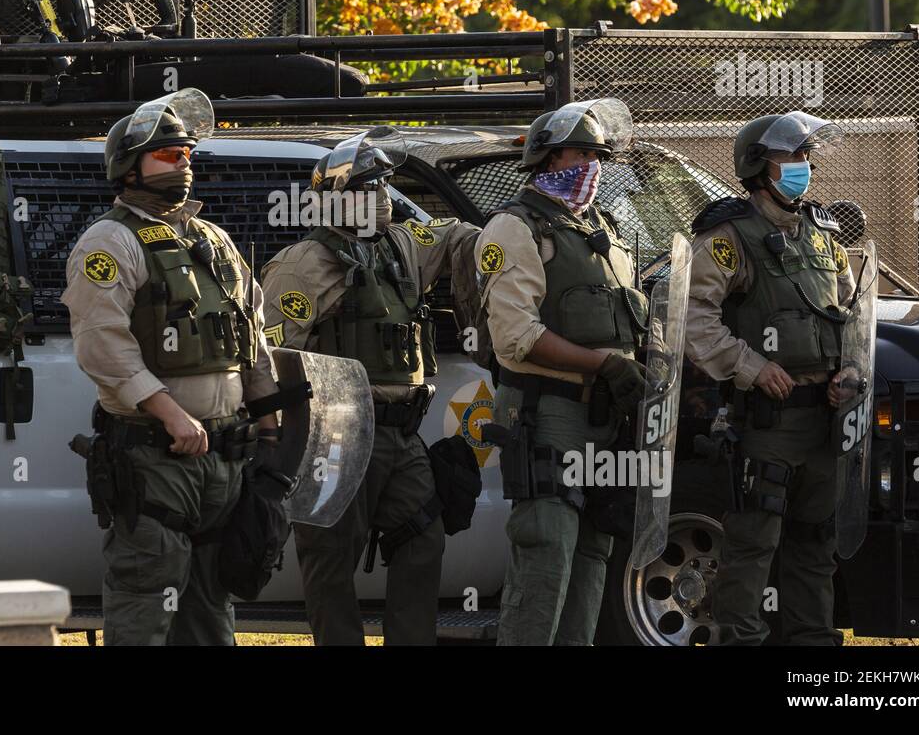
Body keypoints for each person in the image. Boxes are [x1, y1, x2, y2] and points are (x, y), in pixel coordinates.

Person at [62, 89, 279, 645]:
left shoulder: (212, 240)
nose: (184, 164)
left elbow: (251, 333)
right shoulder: (108, 242)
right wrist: (172, 416)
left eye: (187, 154)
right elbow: (102, 346)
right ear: (130, 169)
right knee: (145, 604)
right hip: (154, 458)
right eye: (169, 155)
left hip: (226, 459)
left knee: (211, 612)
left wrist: (268, 423)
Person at [259, 130, 477, 645]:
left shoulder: (399, 245)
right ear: (335, 199)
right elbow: (269, 359)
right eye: (368, 186)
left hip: (403, 434)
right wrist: (283, 442)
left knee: (423, 540)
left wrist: (505, 238)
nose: (382, 196)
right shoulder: (302, 265)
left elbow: (454, 237)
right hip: (337, 433)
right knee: (331, 561)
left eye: (383, 184)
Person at [475, 100, 649, 645]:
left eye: (600, 154)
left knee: (595, 544)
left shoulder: (606, 230)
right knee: (547, 543)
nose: (595, 165)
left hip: (605, 416)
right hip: (546, 414)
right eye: (583, 153)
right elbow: (515, 337)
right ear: (549, 158)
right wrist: (604, 365)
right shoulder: (514, 227)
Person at [685, 111, 856, 645]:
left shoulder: (824, 235)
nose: (804, 168)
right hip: (766, 420)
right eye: (792, 159)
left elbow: (852, 311)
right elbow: (693, 319)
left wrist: (850, 368)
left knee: (814, 544)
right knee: (753, 544)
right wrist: (752, 367)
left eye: (807, 157)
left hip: (824, 420)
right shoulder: (727, 236)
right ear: (760, 167)